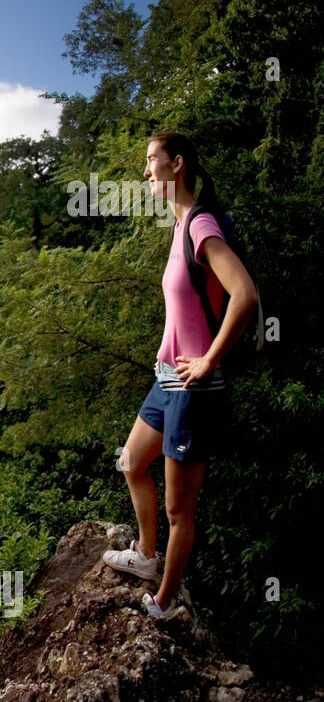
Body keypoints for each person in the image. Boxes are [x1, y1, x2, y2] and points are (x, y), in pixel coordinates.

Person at [102, 133, 258, 620]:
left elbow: (245, 294)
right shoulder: (179, 227)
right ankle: (146, 557)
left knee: (179, 511)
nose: (146, 171)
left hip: (193, 388)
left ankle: (163, 604)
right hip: (165, 380)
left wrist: (210, 358)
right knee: (130, 462)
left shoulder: (200, 224)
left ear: (178, 165)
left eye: (152, 161)